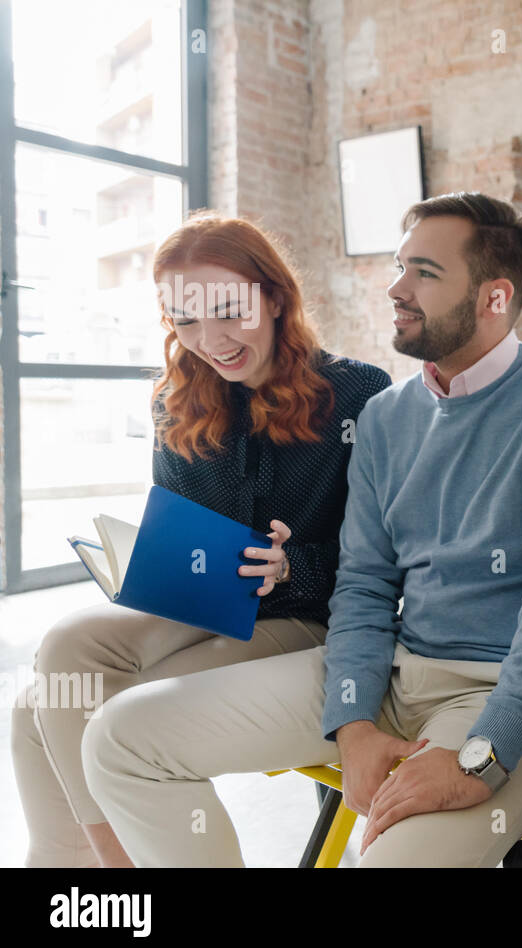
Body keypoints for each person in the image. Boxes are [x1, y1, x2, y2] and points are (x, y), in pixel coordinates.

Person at [80, 192, 522, 867]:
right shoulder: (388, 414)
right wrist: (354, 719)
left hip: (506, 691)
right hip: (393, 672)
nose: (395, 286)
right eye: (400, 265)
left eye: (423, 272)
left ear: (493, 297)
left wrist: (484, 753)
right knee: (118, 739)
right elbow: (366, 583)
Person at [10, 213, 391, 867]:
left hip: (310, 618)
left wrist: (291, 565)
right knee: (62, 654)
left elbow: (386, 565)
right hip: (208, 605)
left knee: (42, 710)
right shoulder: (176, 400)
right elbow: (178, 527)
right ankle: (111, 872)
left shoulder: (360, 395)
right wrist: (155, 558)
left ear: (273, 295)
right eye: (184, 319)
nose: (209, 338)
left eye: (226, 309)